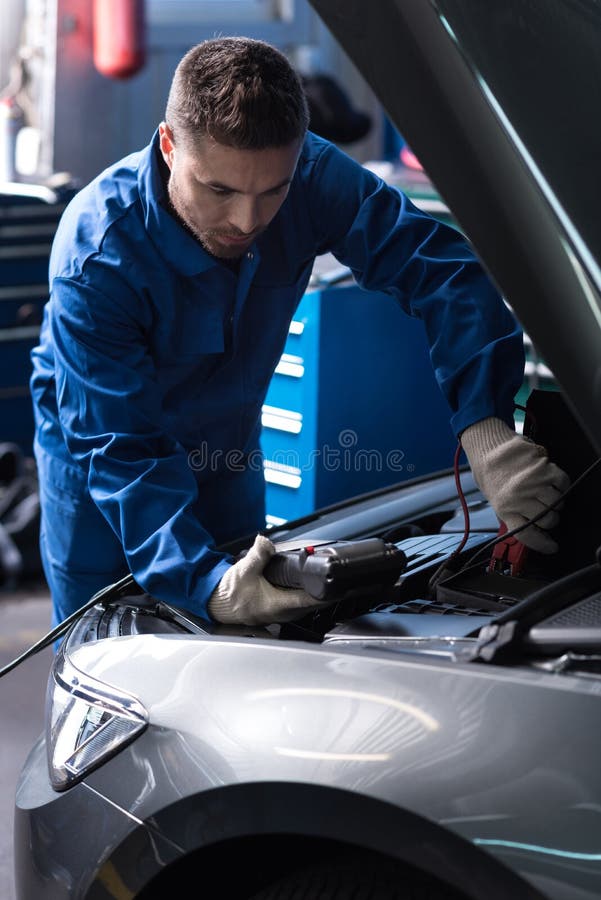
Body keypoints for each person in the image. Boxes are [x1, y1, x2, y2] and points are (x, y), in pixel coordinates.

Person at [30, 37, 569, 631]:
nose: (246, 220)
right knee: (105, 653)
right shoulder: (98, 257)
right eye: (219, 190)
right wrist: (201, 581)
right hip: (104, 474)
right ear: (168, 144)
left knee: (249, 633)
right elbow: (120, 448)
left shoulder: (311, 172)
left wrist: (486, 429)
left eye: (273, 192)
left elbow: (443, 272)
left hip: (226, 449)